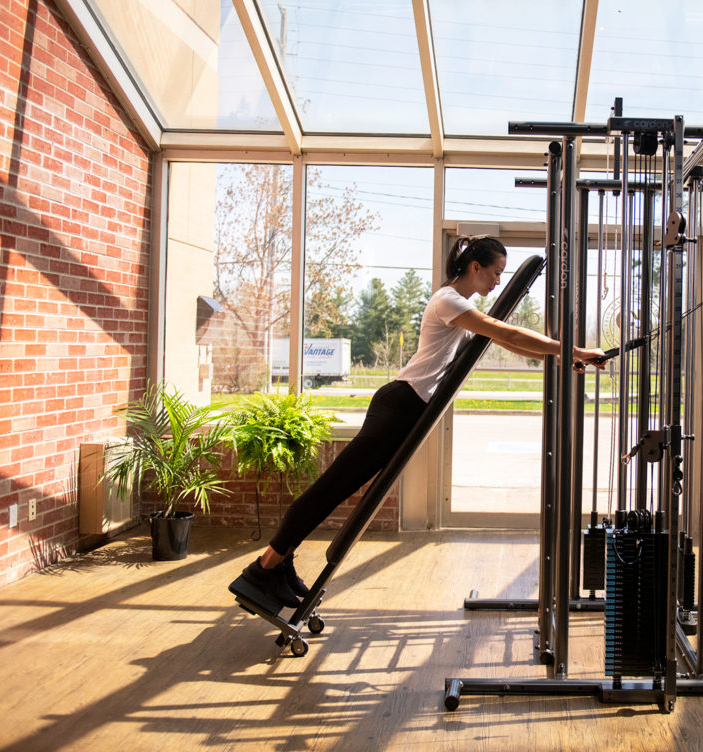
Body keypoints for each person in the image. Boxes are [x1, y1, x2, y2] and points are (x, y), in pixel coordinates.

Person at [236, 235, 605, 608]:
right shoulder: (448, 300)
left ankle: (278, 564)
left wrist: (560, 359)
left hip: (404, 405)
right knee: (332, 487)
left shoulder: (457, 303)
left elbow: (506, 342)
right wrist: (574, 349)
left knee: (336, 488)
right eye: (495, 273)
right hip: (399, 405)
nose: (497, 282)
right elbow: (506, 332)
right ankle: (264, 569)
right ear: (475, 267)